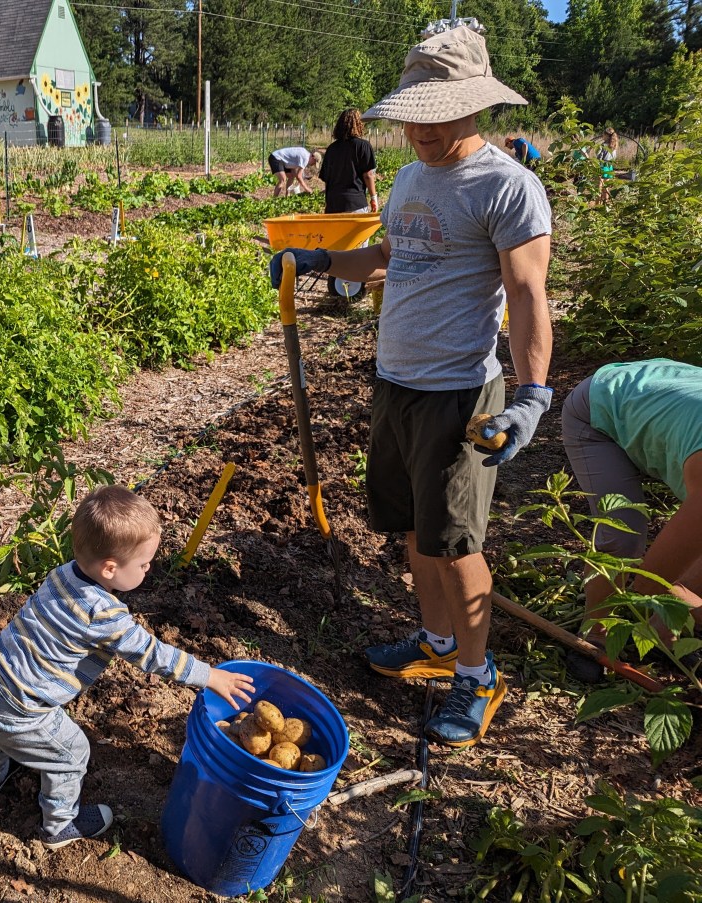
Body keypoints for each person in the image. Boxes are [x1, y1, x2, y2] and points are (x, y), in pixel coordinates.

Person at [269, 25, 553, 748]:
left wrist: (532, 395)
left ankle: (477, 674)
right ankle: (433, 640)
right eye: (412, 115)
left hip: (459, 392)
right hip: (395, 382)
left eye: (437, 115)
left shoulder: (509, 187)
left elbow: (527, 296)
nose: (420, 130)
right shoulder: (410, 178)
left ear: (473, 106)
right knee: (416, 533)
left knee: (458, 544)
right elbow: (394, 252)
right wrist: (318, 261)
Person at [0, 485, 255, 848]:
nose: (149, 569)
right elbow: (153, 654)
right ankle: (59, 826)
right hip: (23, 710)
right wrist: (209, 675)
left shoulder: (61, 575)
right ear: (110, 568)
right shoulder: (103, 613)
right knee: (72, 753)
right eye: (144, 564)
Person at [560, 359, 702, 681]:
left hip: (665, 398)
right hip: (602, 407)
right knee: (622, 536)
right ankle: (594, 633)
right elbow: (650, 582)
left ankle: (662, 634)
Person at [319, 108, 379, 214]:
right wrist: (374, 197)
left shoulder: (331, 149)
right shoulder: (363, 146)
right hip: (355, 203)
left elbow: (327, 178)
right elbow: (368, 175)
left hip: (333, 204)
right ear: (359, 124)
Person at [599, 126, 619, 201]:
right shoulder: (614, 145)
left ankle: (598, 204)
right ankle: (606, 202)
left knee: (599, 186)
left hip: (603, 166)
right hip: (610, 167)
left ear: (607, 135)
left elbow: (599, 157)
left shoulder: (603, 145)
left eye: (603, 135)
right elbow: (614, 157)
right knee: (606, 186)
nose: (602, 136)